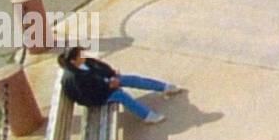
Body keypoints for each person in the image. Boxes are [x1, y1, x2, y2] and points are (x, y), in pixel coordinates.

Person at [57, 46, 185, 124]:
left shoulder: (84, 61)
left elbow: (100, 67)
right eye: (80, 54)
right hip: (96, 97)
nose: (84, 54)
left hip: (104, 84)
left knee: (132, 79)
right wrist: (109, 86)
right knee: (121, 95)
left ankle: (165, 87)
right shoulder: (74, 78)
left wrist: (111, 74)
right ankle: (147, 116)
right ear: (73, 61)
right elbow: (87, 94)